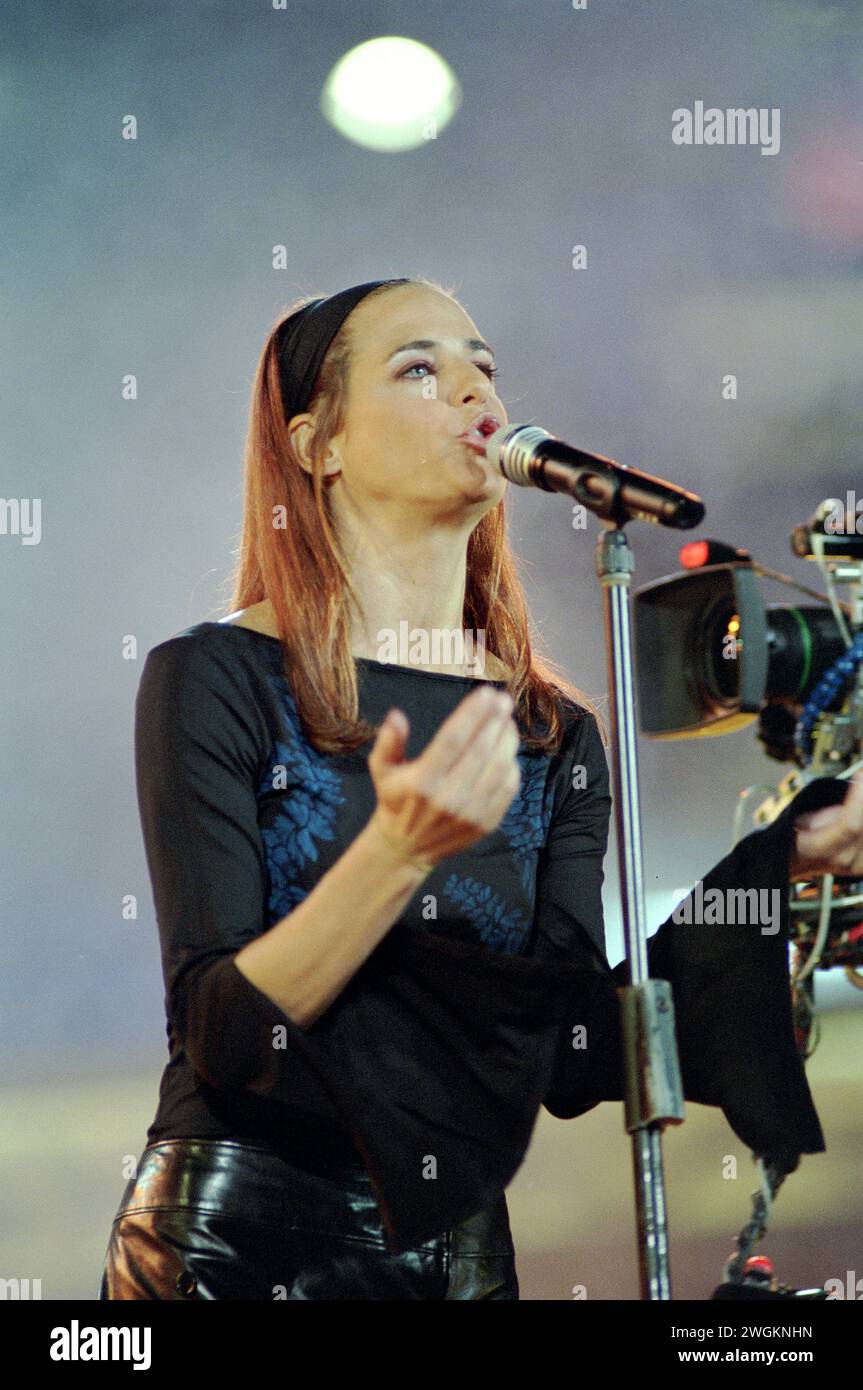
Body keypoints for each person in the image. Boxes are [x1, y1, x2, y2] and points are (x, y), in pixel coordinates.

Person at [100, 277, 863, 1301]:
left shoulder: (549, 733)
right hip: (241, 1243)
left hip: (462, 1258)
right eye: (419, 368)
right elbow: (227, 1033)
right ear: (317, 446)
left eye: (484, 367)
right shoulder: (216, 676)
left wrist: (785, 858)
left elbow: (569, 1048)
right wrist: (395, 852)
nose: (475, 391)